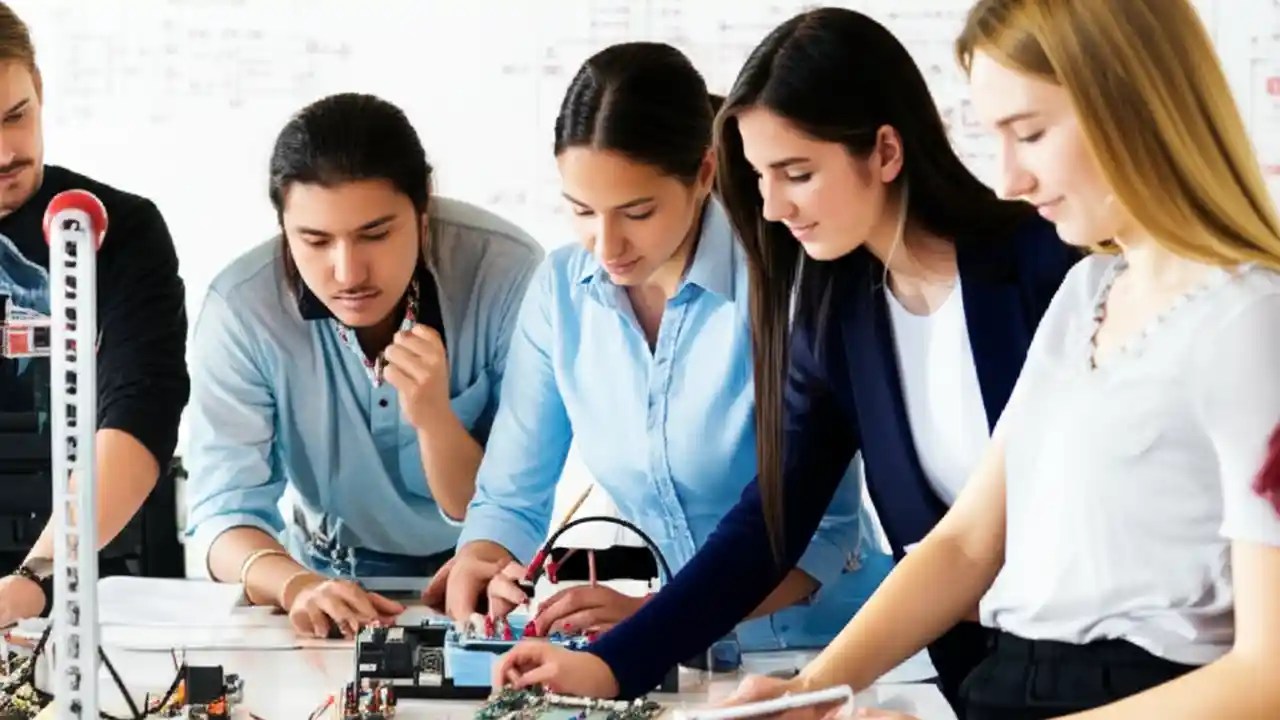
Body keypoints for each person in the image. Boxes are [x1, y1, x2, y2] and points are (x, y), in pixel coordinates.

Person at [600, 0, 1280, 718]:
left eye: (1031, 133)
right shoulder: (1090, 291)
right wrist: (813, 692)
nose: (1010, 177)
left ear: (1136, 106)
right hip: (1000, 683)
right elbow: (963, 542)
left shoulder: (1247, 321)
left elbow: (1266, 676)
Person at [489, 7, 1082, 710]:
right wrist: (615, 666)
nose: (772, 209)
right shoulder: (840, 311)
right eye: (760, 177)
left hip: (1113, 669)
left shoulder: (1052, 267)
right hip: (981, 686)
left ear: (887, 153)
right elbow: (770, 521)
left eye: (796, 173)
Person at [424, 41, 890, 662]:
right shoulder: (562, 293)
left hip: (826, 648)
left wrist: (659, 620)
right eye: (582, 211)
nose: (606, 244)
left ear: (702, 175)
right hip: (671, 658)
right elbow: (511, 495)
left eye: (636, 212)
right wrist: (483, 559)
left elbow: (825, 536)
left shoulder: (787, 280)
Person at [184, 92, 544, 639]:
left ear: (424, 213)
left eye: (375, 235)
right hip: (326, 579)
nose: (348, 272)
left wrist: (434, 419)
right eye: (315, 240)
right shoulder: (241, 308)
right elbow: (221, 515)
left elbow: (508, 501)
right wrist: (296, 586)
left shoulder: (509, 273)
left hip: (480, 574)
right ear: (283, 225)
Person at [0, 2, 189, 626]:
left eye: (17, 115)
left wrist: (37, 576)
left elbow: (138, 419)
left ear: (41, 92)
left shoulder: (122, 230)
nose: (5, 151)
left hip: (103, 587)